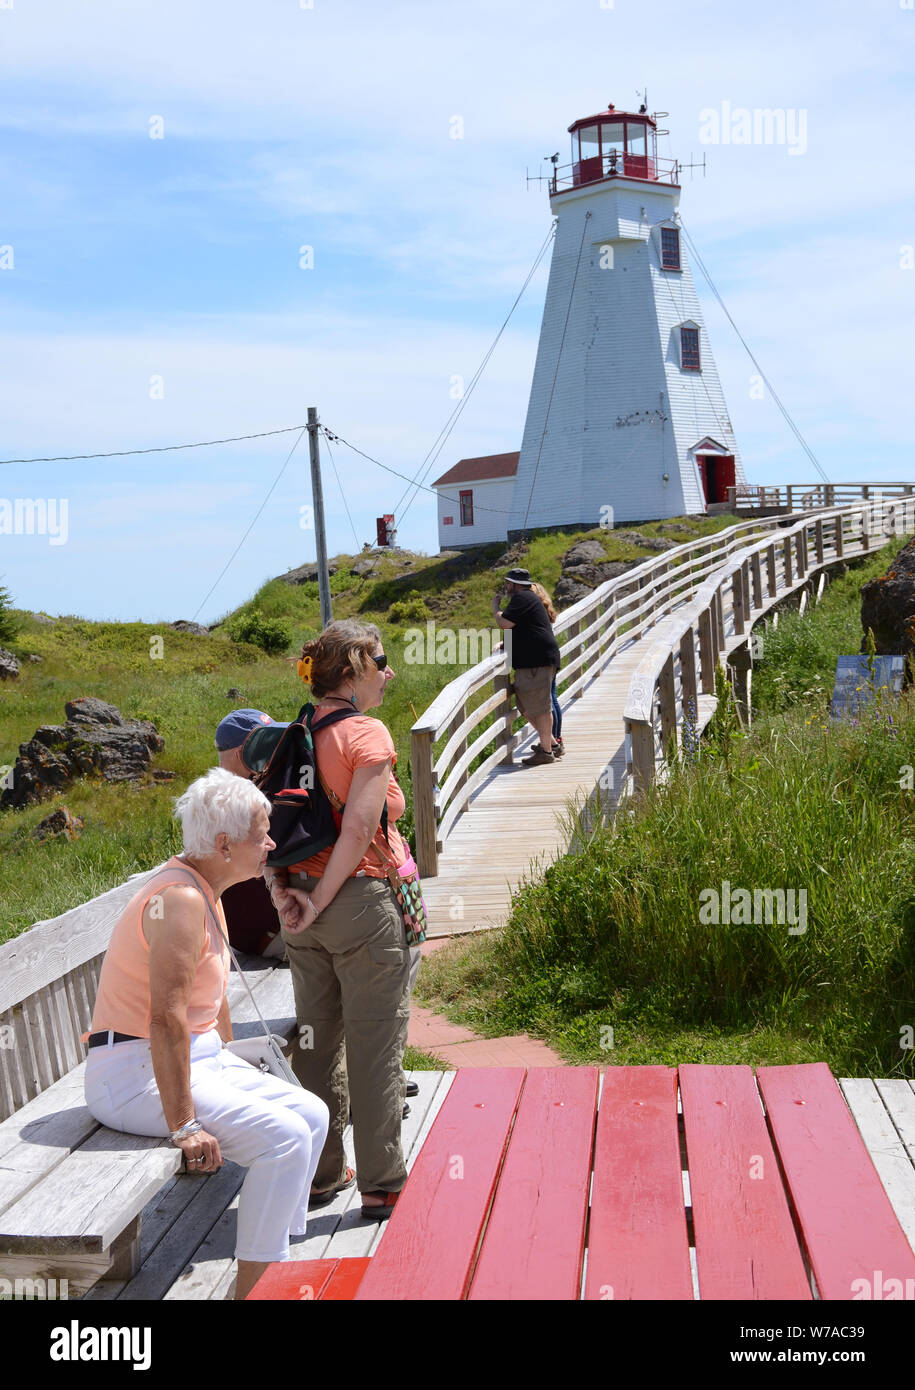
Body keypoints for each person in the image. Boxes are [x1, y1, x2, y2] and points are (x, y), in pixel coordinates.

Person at [82, 768, 329, 1300]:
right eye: (260, 833)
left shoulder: (203, 886)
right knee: (283, 1138)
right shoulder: (180, 899)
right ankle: (256, 1291)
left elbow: (207, 1004)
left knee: (311, 1114)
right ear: (223, 844)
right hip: (132, 1074)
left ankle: (272, 1269)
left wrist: (232, 1059)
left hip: (191, 1058)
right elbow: (165, 1017)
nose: (270, 843)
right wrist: (185, 1124)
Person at [266, 620, 420, 1222]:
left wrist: (288, 896)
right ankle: (381, 1181)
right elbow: (358, 830)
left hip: (301, 907)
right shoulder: (366, 733)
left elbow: (270, 828)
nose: (388, 671)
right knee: (375, 1041)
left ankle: (321, 1173)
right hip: (355, 902)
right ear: (353, 670)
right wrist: (325, 897)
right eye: (380, 661)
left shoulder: (294, 733)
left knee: (315, 1038)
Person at [214, 709, 288, 958]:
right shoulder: (230, 804)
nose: (273, 750)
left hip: (272, 928)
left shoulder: (247, 792)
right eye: (265, 743)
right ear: (240, 753)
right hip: (261, 937)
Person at [492, 567, 562, 765]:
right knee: (526, 706)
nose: (506, 587)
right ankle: (552, 744)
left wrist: (496, 608)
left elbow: (505, 623)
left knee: (541, 706)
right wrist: (506, 645)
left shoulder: (522, 599)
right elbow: (525, 628)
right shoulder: (528, 599)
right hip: (537, 659)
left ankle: (547, 751)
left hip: (536, 661)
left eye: (507, 583)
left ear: (514, 585)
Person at [530, 581, 565, 758]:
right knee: (553, 698)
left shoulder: (534, 611)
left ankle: (553, 742)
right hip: (552, 657)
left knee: (549, 702)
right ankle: (556, 739)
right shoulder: (546, 611)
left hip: (543, 659)